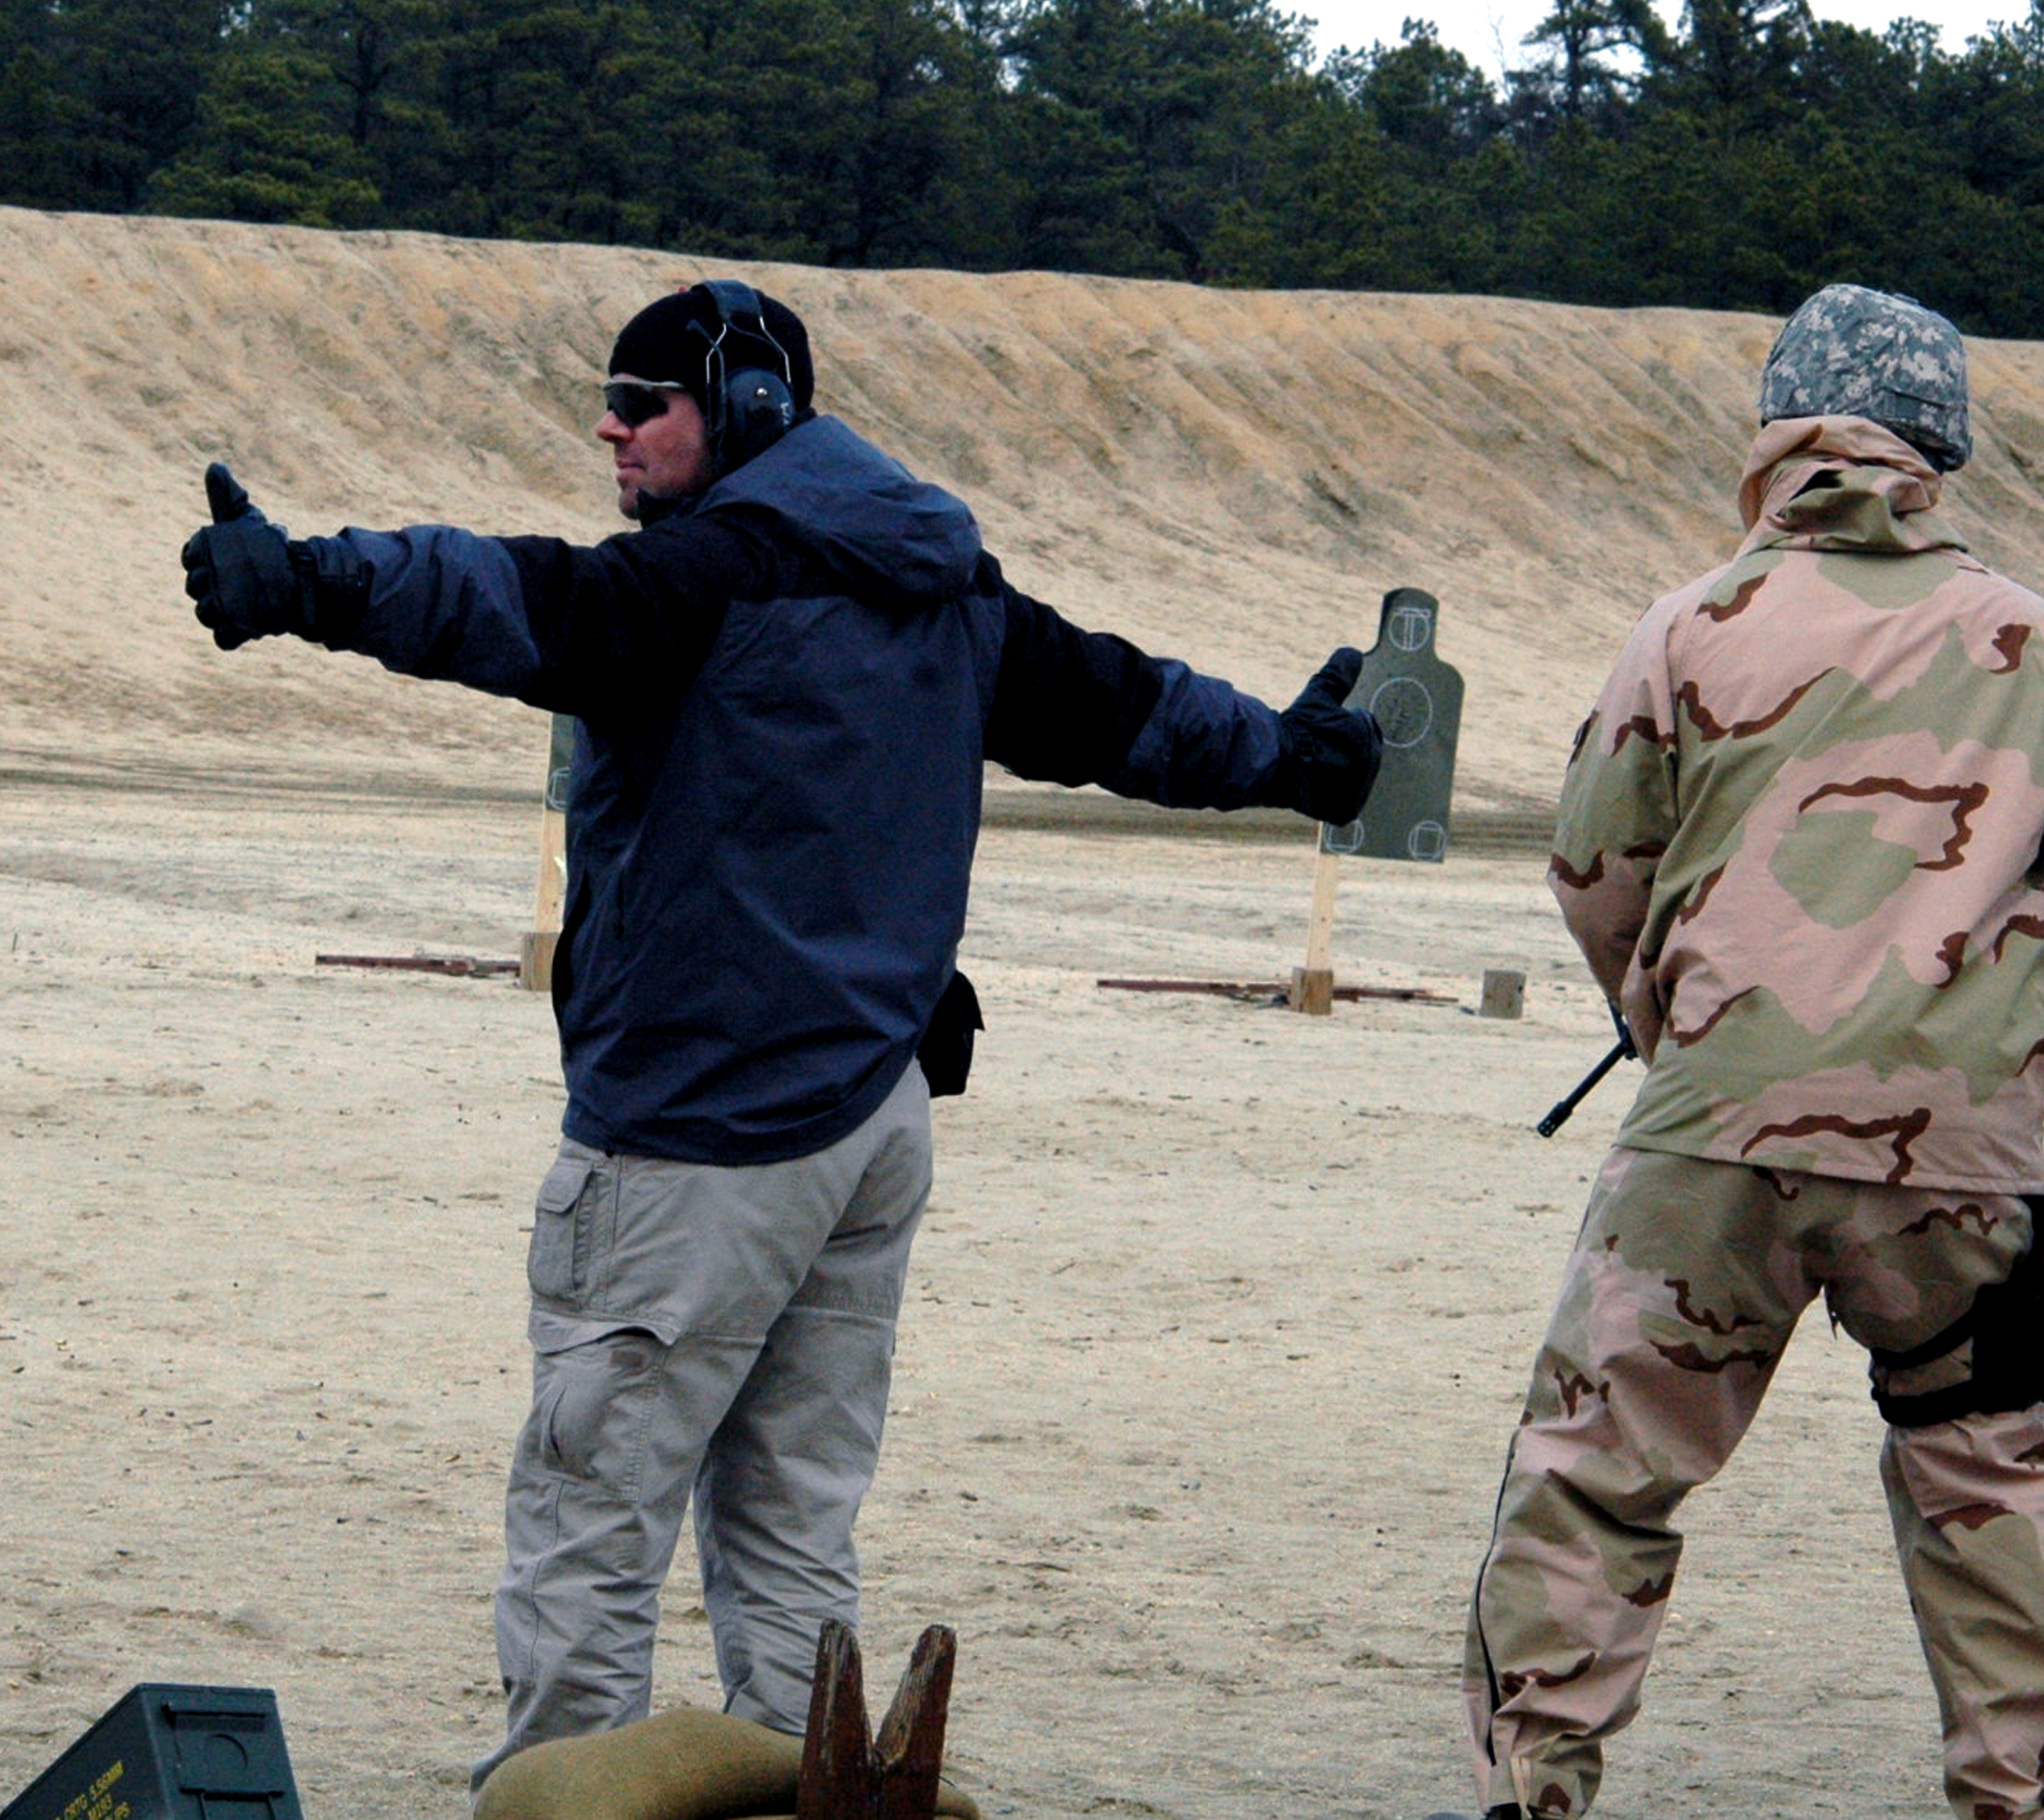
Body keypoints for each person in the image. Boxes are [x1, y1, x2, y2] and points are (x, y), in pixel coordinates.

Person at [180, 279, 1386, 1789]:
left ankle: (570, 1813)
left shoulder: (704, 582)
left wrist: (304, 580)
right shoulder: (944, 582)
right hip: (871, 1121)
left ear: (747, 407)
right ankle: (812, 1798)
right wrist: (1293, 753)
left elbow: (517, 600)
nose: (608, 431)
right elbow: (1125, 710)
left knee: (589, 1515)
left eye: (643, 405)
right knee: (790, 1526)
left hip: (699, 1132)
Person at [1432, 286, 2044, 1820]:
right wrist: (1980, 941)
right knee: (1979, 1452)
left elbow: (1595, 865)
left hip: (1712, 1123)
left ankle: (1534, 1777)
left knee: (1602, 1459)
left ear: (1776, 431)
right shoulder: (2037, 638)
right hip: (1955, 1139)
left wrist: (1670, 1010)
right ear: (1941, 445)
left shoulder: (1690, 623)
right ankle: (2025, 1786)